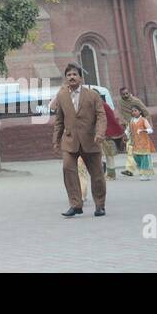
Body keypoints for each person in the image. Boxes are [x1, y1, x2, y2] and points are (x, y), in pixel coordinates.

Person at [52, 63, 107, 217]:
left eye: (74, 74)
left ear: (81, 78)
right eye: (69, 75)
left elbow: (101, 116)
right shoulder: (61, 96)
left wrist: (100, 133)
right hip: (70, 141)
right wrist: (56, 140)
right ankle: (76, 205)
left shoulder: (92, 95)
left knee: (97, 176)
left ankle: (100, 205)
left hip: (91, 140)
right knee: (68, 170)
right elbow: (59, 121)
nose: (72, 77)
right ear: (65, 79)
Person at [117, 86, 150, 176]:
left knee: (139, 150)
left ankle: (143, 168)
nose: (126, 95)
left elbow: (146, 112)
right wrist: (124, 125)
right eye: (123, 94)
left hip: (138, 128)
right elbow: (120, 114)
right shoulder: (120, 102)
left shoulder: (136, 101)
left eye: (127, 93)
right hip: (129, 127)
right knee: (130, 148)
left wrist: (146, 126)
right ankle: (130, 169)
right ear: (120, 95)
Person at [128, 106, 155, 180]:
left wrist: (144, 130)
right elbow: (128, 131)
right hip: (135, 143)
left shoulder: (143, 120)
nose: (134, 112)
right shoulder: (131, 121)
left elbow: (150, 130)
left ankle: (145, 174)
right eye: (132, 111)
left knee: (144, 159)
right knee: (137, 158)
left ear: (140, 111)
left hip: (144, 143)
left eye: (135, 110)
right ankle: (143, 172)